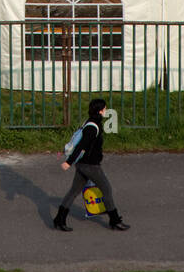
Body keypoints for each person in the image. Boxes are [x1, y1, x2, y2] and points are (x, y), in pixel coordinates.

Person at [54, 98, 130, 232]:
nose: (106, 110)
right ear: (100, 111)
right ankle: (115, 221)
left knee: (74, 191)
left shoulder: (90, 122)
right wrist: (68, 162)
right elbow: (80, 146)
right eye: (105, 109)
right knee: (106, 189)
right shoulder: (92, 128)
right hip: (90, 166)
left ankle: (59, 219)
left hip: (83, 165)